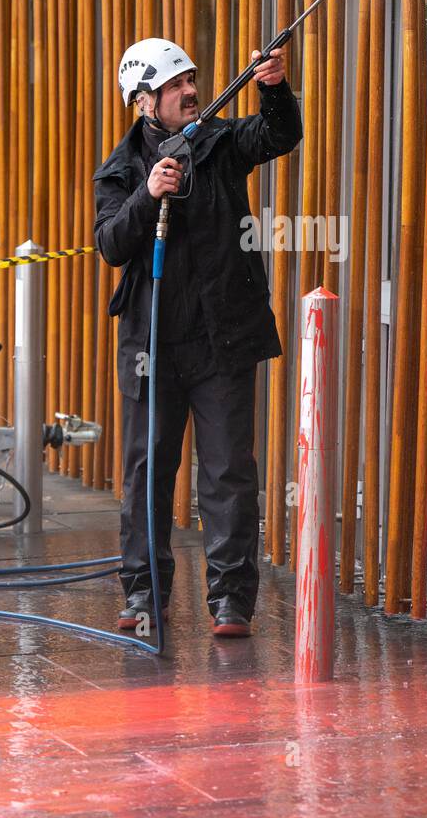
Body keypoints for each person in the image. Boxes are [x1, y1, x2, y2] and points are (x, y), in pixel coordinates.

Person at [93, 37, 302, 637]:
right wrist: (147, 194)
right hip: (151, 345)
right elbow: (111, 245)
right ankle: (143, 594)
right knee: (146, 472)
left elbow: (279, 135)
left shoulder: (219, 142)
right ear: (144, 101)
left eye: (190, 79)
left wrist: (273, 89)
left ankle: (231, 601)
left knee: (228, 471)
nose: (190, 91)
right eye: (175, 84)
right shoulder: (119, 169)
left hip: (222, 339)